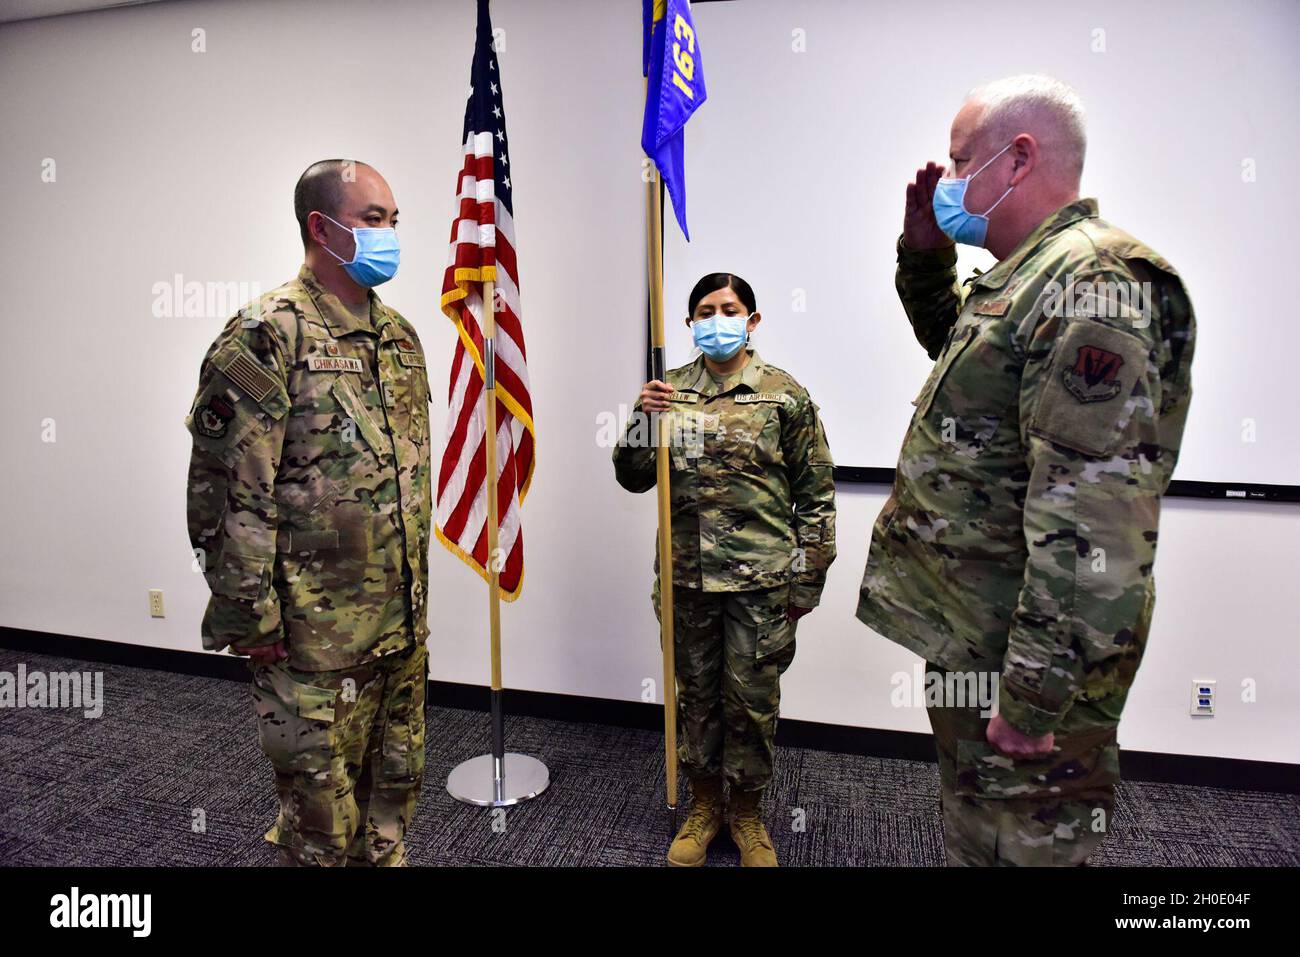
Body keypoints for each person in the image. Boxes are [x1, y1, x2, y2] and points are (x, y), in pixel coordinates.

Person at [855, 75, 1196, 865]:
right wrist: (923, 256)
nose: (946, 179)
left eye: (959, 158)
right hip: (975, 631)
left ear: (1017, 159)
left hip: (1021, 656)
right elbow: (962, 358)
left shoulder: (1094, 286)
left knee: (1022, 845)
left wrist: (1035, 697)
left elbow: (1090, 521)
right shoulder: (1027, 277)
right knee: (980, 832)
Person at [185, 159, 432, 866]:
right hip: (310, 642)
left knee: (389, 805)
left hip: (399, 631)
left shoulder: (400, 340)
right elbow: (227, 488)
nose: (391, 235)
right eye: (375, 219)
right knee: (319, 825)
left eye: (394, 220)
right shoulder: (266, 334)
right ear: (322, 228)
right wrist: (249, 614)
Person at [613, 273, 837, 866]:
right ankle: (704, 804)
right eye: (705, 311)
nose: (718, 319)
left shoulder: (784, 395)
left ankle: (747, 813)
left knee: (752, 703)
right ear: (690, 324)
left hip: (762, 586)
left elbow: (816, 496)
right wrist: (641, 416)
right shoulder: (668, 394)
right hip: (688, 580)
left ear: (753, 320)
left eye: (729, 309)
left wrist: (807, 581)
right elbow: (633, 477)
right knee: (698, 701)